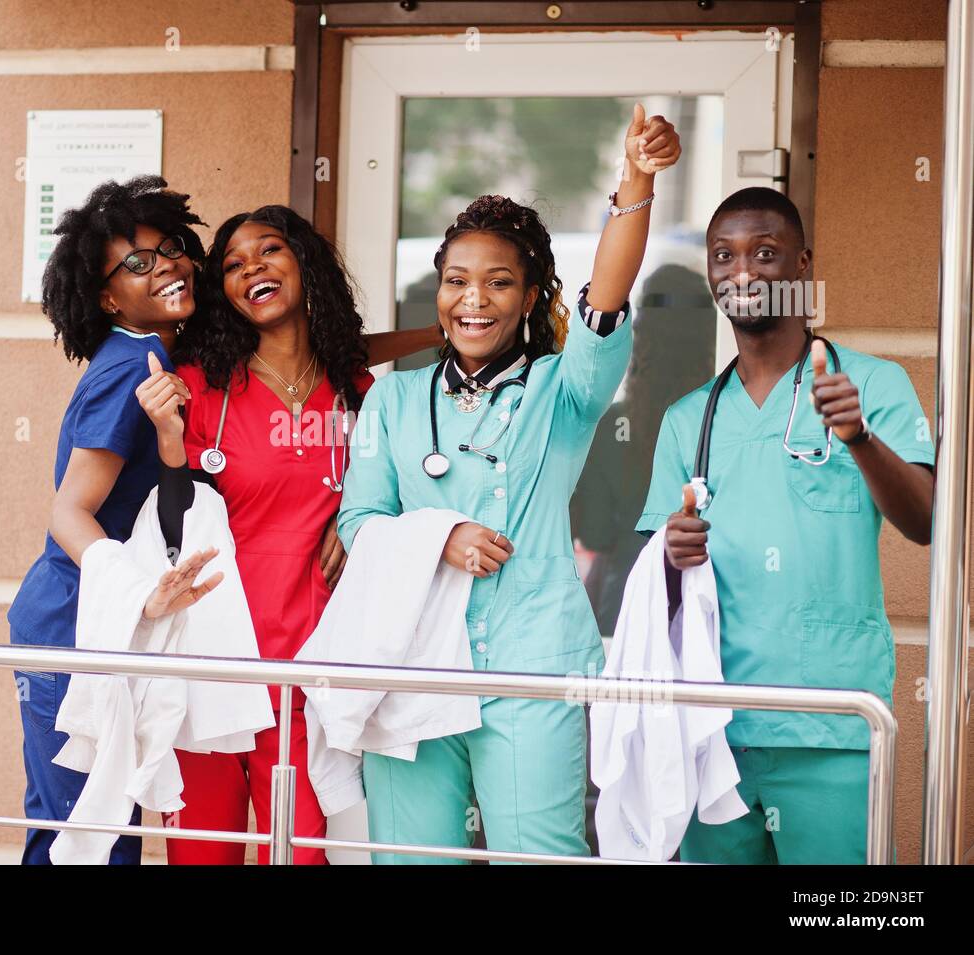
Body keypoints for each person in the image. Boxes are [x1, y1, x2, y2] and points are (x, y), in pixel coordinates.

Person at [335, 104, 681, 863]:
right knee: (409, 857)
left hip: (532, 669)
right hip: (415, 663)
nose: (474, 299)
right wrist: (439, 538)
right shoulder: (392, 399)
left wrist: (635, 179)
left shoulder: (565, 388)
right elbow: (358, 520)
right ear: (440, 294)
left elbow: (607, 296)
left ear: (528, 298)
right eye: (457, 281)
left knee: (540, 853)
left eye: (498, 283)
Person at [134, 204, 440, 864]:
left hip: (309, 680)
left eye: (269, 251)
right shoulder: (200, 388)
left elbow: (401, 496)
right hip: (211, 673)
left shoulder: (356, 389)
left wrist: (359, 518)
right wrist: (166, 441)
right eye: (235, 266)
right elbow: (170, 521)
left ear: (304, 263)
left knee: (302, 856)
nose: (253, 270)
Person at [638, 186, 934, 864]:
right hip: (712, 732)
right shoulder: (690, 418)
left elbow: (924, 521)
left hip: (831, 727)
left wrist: (858, 437)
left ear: (803, 265)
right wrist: (670, 550)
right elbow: (654, 580)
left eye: (764, 253)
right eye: (724, 255)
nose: (742, 271)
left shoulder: (874, 384)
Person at [7, 176, 223, 865]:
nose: (164, 267)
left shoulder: (157, 354)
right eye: (137, 263)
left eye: (172, 250)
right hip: (72, 625)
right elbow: (68, 510)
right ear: (105, 296)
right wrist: (136, 590)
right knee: (79, 829)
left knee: (104, 827)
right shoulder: (128, 365)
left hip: (110, 624)